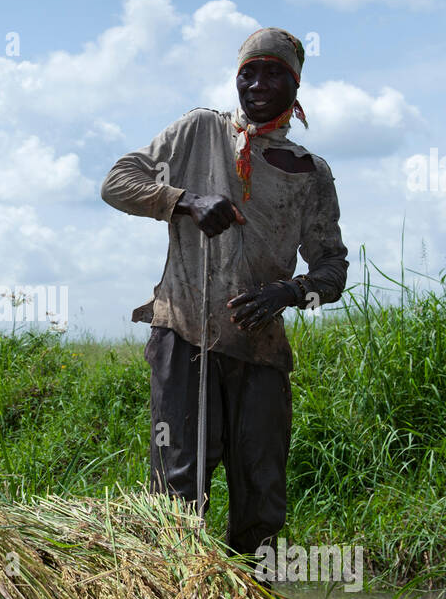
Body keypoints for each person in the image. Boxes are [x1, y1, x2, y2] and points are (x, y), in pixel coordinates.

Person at [100, 27, 348, 557]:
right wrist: (184, 200)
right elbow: (117, 182)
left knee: (262, 499)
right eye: (248, 72)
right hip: (185, 333)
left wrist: (287, 292)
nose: (258, 83)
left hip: (259, 349)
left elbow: (331, 273)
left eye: (273, 72)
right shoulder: (199, 133)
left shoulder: (310, 173)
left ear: (296, 83)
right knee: (178, 489)